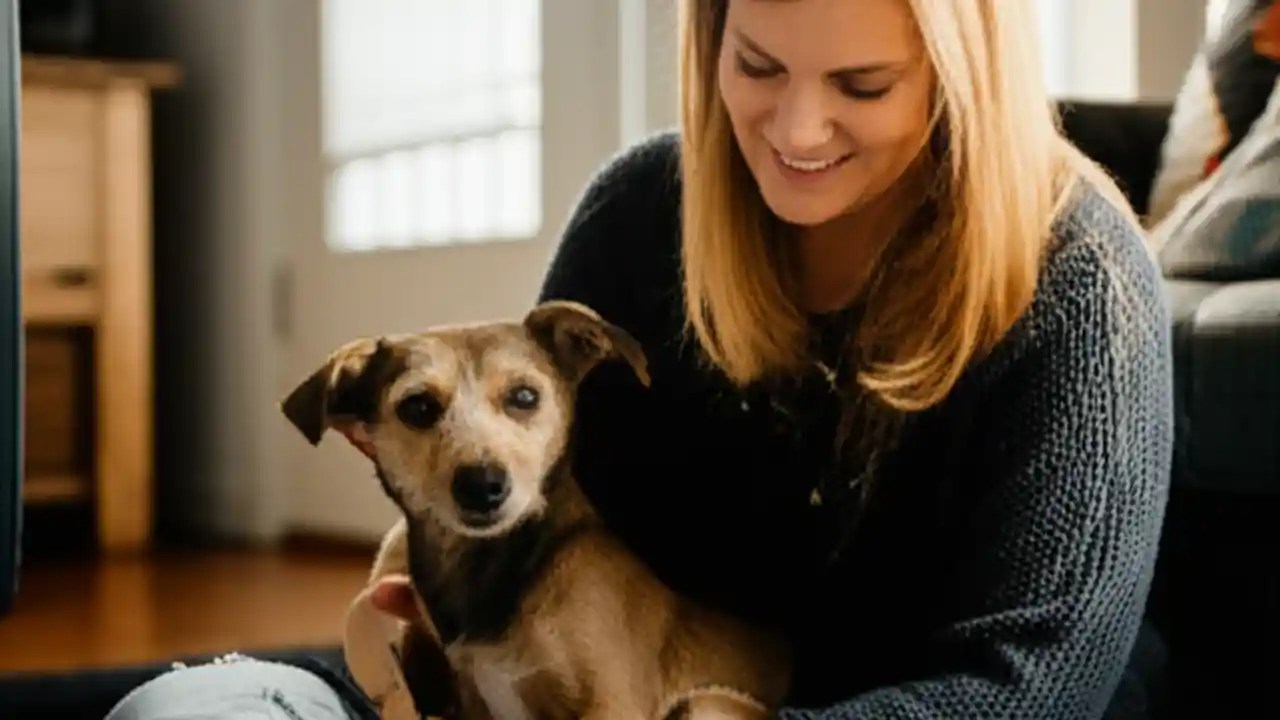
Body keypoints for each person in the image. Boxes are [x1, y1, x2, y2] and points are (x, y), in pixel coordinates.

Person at [105, 0, 1173, 718]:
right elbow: (521, 482)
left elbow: (1036, 685)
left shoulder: (1081, 282)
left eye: (862, 84)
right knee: (183, 710)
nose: (797, 128)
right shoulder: (640, 213)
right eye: (757, 65)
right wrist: (400, 619)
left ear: (962, 77)